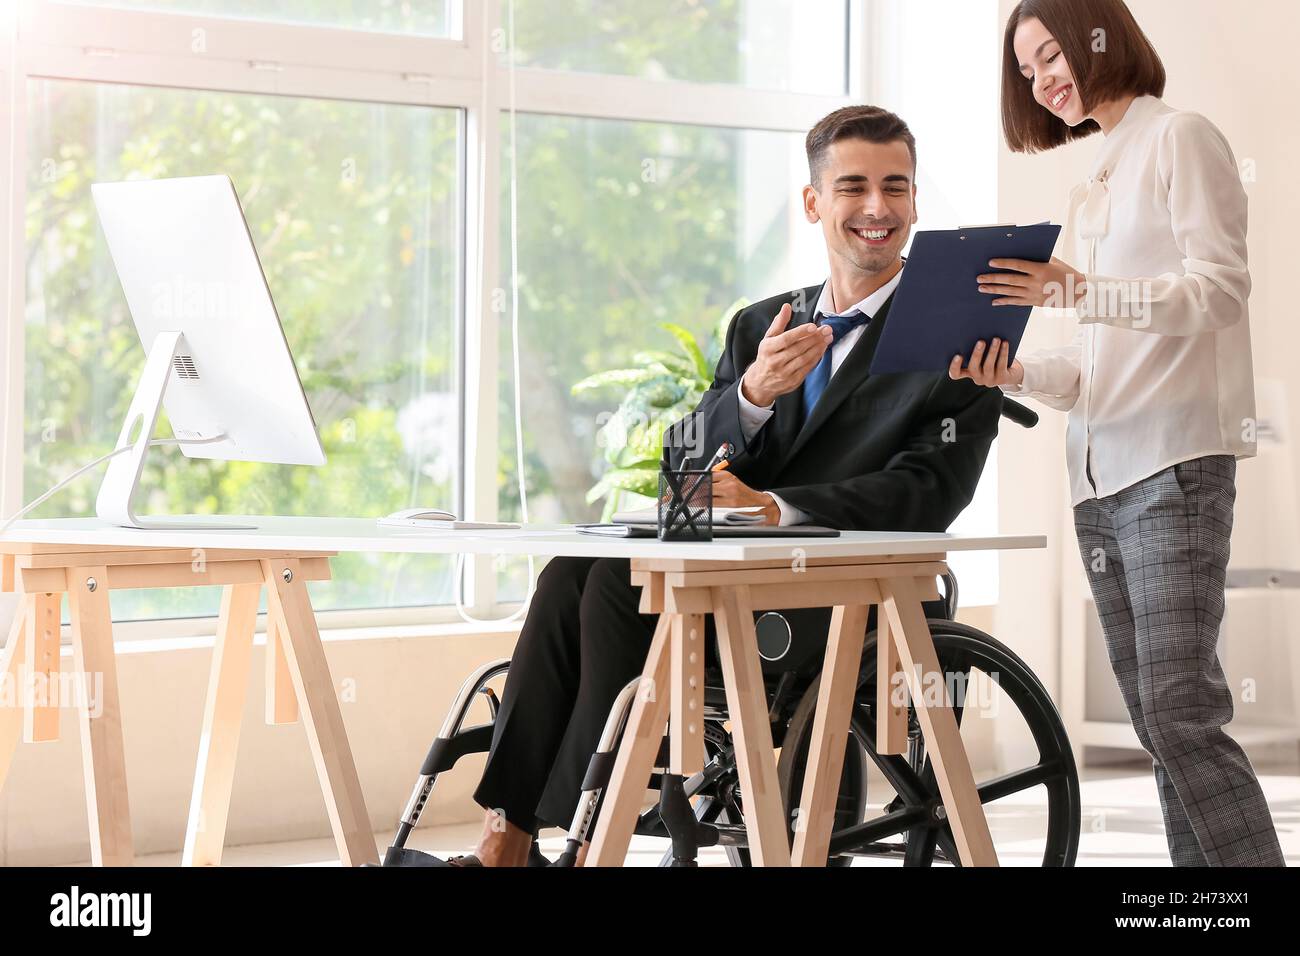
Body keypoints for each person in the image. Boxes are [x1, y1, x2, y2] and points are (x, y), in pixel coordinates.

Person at [453, 104, 1003, 866]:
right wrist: (748, 396)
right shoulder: (757, 327)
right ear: (815, 203)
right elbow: (679, 477)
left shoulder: (956, 333)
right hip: (723, 588)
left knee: (617, 591)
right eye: (853, 187)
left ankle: (585, 840)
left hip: (841, 598)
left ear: (914, 201)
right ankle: (508, 836)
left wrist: (777, 507)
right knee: (568, 575)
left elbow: (930, 492)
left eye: (896, 187)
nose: (878, 208)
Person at [950, 0, 1284, 866]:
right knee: (1156, 717)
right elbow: (1099, 365)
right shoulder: (1096, 175)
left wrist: (1080, 290)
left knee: (1180, 708)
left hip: (1174, 466)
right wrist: (1015, 372)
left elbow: (1219, 292)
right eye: (1027, 71)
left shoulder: (1181, 138)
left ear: (1102, 34)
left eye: (1051, 53)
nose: (1044, 80)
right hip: (1099, 484)